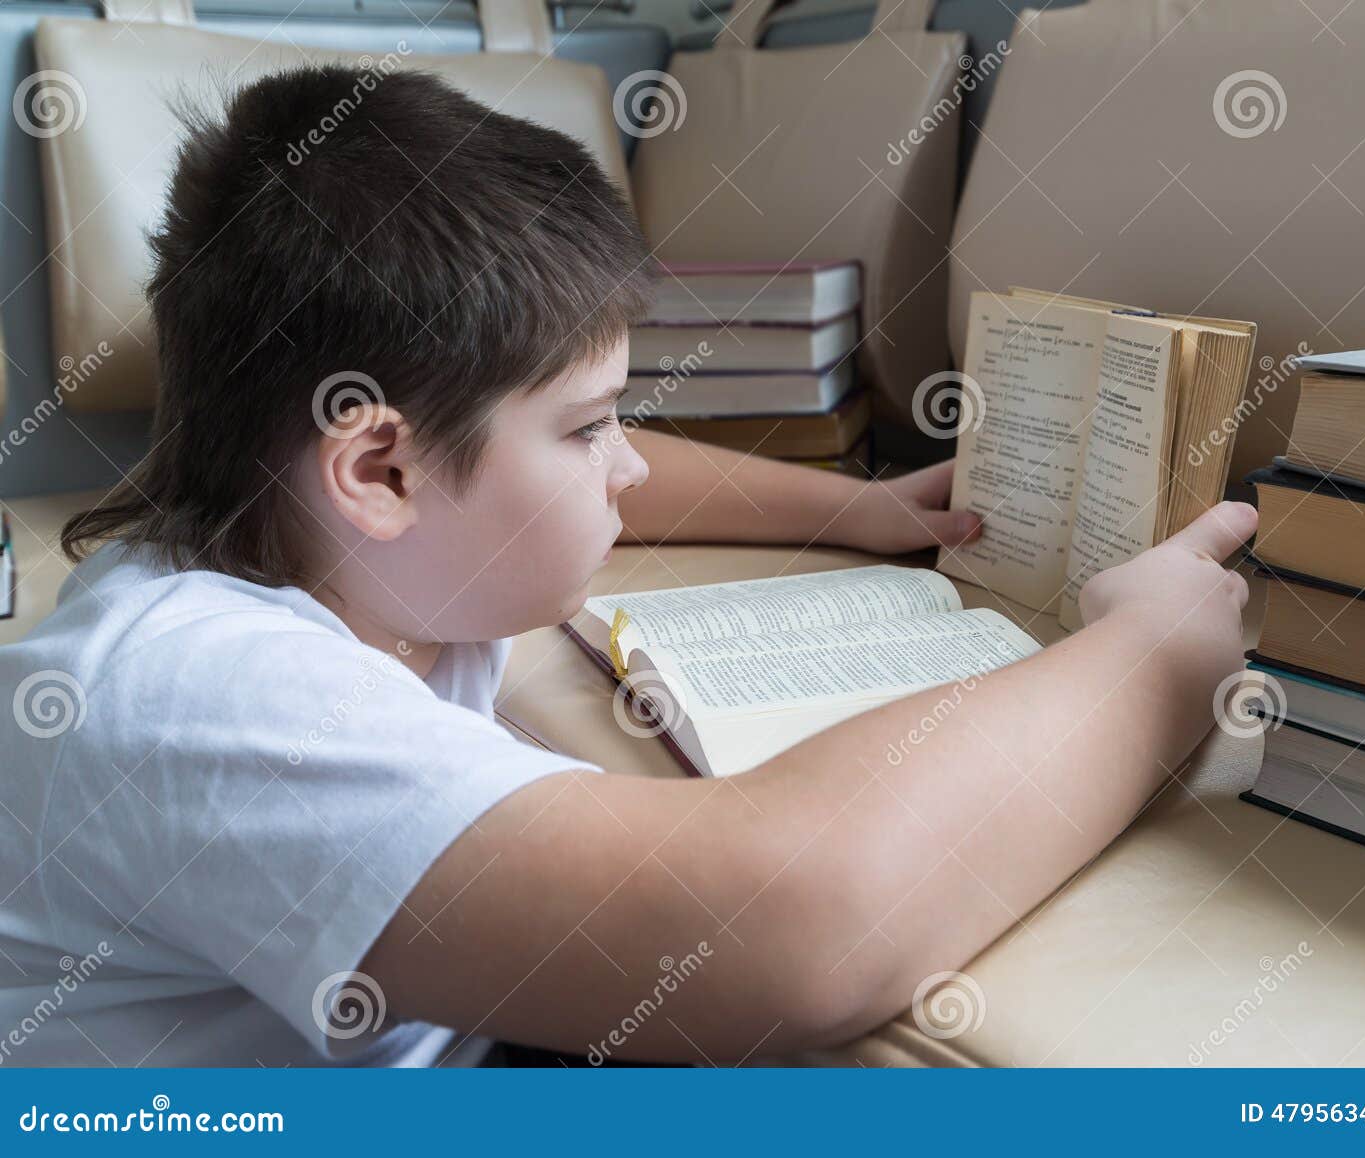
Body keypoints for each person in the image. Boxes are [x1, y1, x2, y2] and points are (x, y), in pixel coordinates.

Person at [0, 65, 1256, 1066]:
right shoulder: (198, 700)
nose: (629, 469)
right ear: (377, 471)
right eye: (590, 429)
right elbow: (796, 924)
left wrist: (856, 509)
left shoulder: (312, 529)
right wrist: (1153, 652)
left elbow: (548, 456)